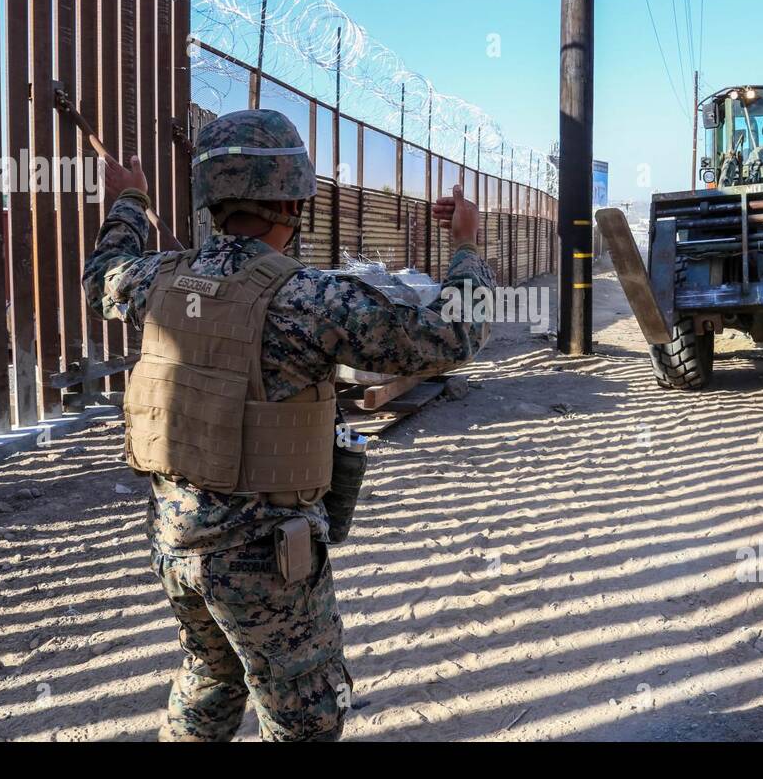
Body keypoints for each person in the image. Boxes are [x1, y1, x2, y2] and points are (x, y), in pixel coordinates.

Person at [82, 109, 494, 741]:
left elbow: (102, 272)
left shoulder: (159, 280)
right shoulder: (305, 298)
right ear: (293, 198)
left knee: (209, 677)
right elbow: (451, 333)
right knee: (305, 716)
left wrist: (129, 201)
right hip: (264, 556)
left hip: (173, 540)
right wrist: (467, 246)